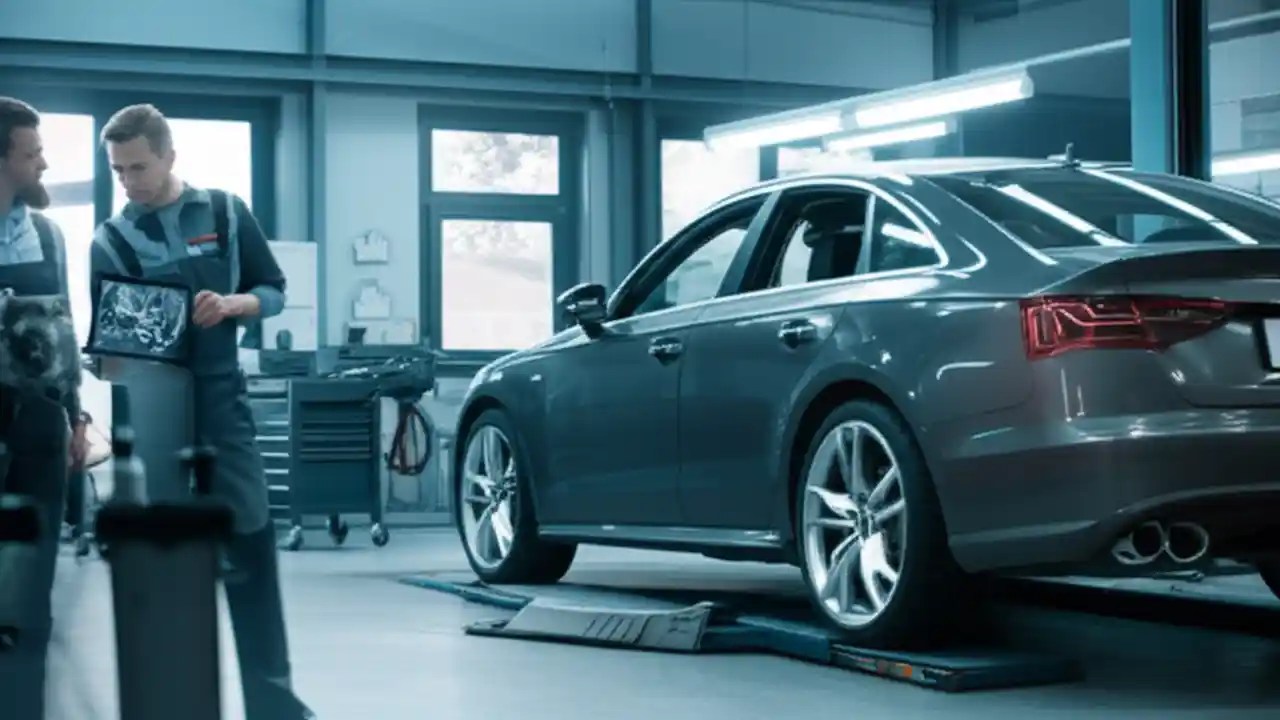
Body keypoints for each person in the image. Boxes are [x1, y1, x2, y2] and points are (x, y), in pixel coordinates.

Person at [90, 103, 314, 720]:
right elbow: (106, 346)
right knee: (166, 553)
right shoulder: (110, 238)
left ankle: (274, 703)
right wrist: (110, 354)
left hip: (223, 398)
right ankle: (170, 701)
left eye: (138, 166)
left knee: (250, 540)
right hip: (156, 406)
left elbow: (273, 291)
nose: (129, 181)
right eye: (118, 170)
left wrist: (237, 304)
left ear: (168, 156)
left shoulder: (224, 211)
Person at [0, 96, 90, 720]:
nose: (43, 163)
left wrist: (76, 415)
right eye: (31, 153)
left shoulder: (48, 236)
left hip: (37, 419)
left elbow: (62, 332)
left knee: (32, 576)